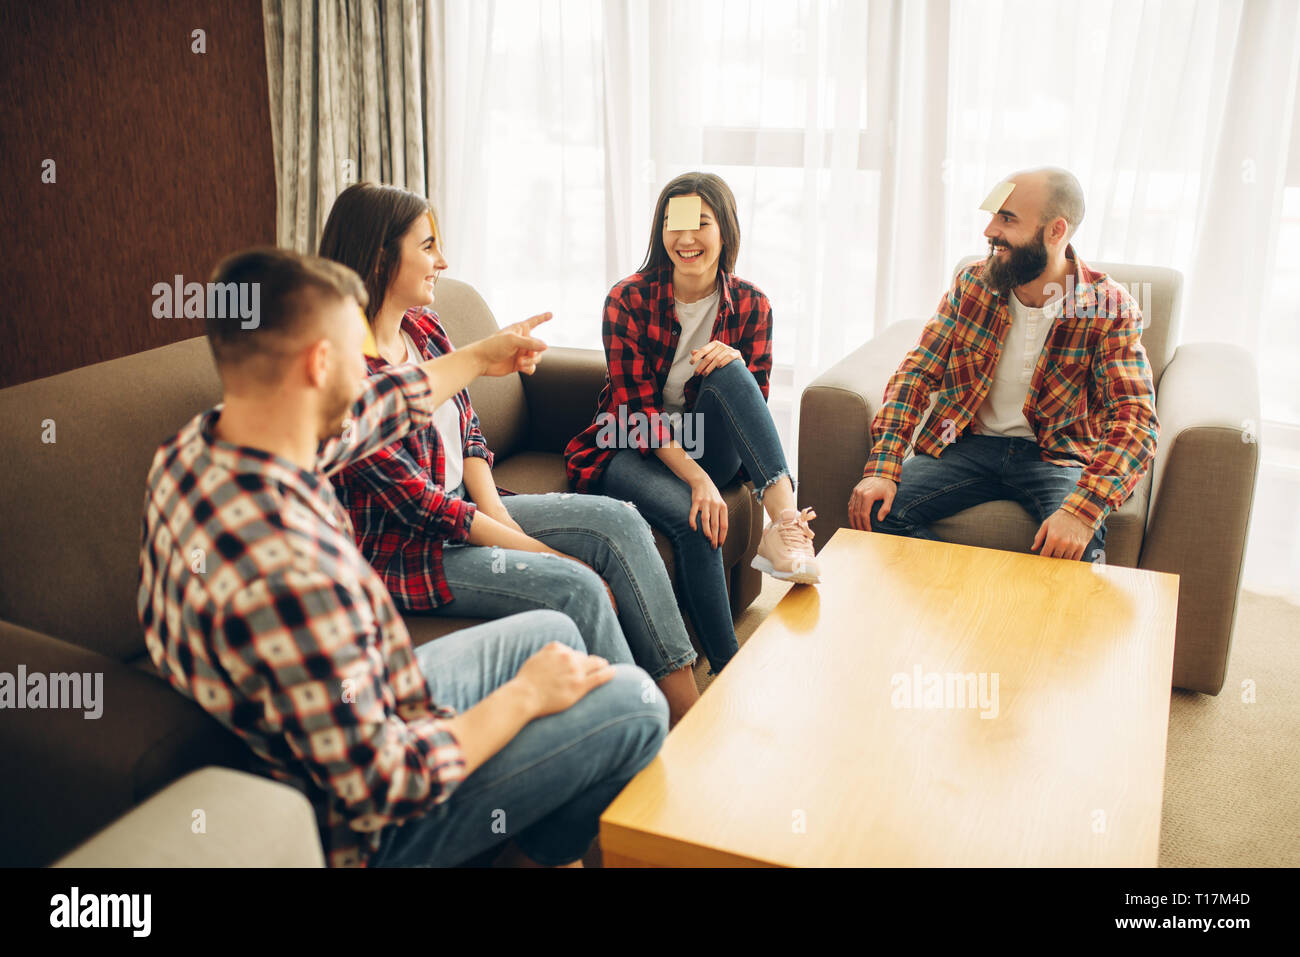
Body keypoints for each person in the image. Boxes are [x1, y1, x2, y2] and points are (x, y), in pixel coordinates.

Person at [137, 247, 667, 867]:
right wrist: (523, 697)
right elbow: (385, 784)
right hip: (362, 826)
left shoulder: (202, 448)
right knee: (636, 702)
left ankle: (539, 843)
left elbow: (375, 406)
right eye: (353, 343)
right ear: (318, 364)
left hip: (361, 694)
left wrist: (477, 356)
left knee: (554, 630)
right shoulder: (290, 571)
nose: (369, 365)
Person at [318, 183, 700, 725]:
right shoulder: (345, 379)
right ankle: (639, 743)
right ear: (381, 255)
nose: (442, 261)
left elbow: (469, 429)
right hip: (408, 551)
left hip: (470, 507)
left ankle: (687, 714)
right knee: (576, 586)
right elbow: (428, 510)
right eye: (427, 246)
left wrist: (498, 510)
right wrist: (538, 552)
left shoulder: (424, 327)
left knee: (620, 521)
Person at [565, 172, 819, 676]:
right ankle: (729, 669)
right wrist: (698, 481)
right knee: (695, 518)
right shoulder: (627, 300)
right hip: (630, 444)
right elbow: (637, 414)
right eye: (672, 224)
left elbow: (752, 411)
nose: (685, 239)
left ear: (725, 230)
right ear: (660, 234)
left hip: (708, 444)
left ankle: (784, 522)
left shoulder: (751, 304)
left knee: (730, 367)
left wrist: (734, 364)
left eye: (700, 223)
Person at [848, 167, 1159, 562]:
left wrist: (1083, 511)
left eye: (1007, 219)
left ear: (1055, 230)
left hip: (1057, 455)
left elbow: (1135, 420)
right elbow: (916, 373)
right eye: (993, 216)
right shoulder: (972, 284)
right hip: (968, 443)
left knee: (1077, 552)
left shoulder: (1108, 306)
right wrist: (884, 464)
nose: (989, 231)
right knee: (874, 512)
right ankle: (971, 595)